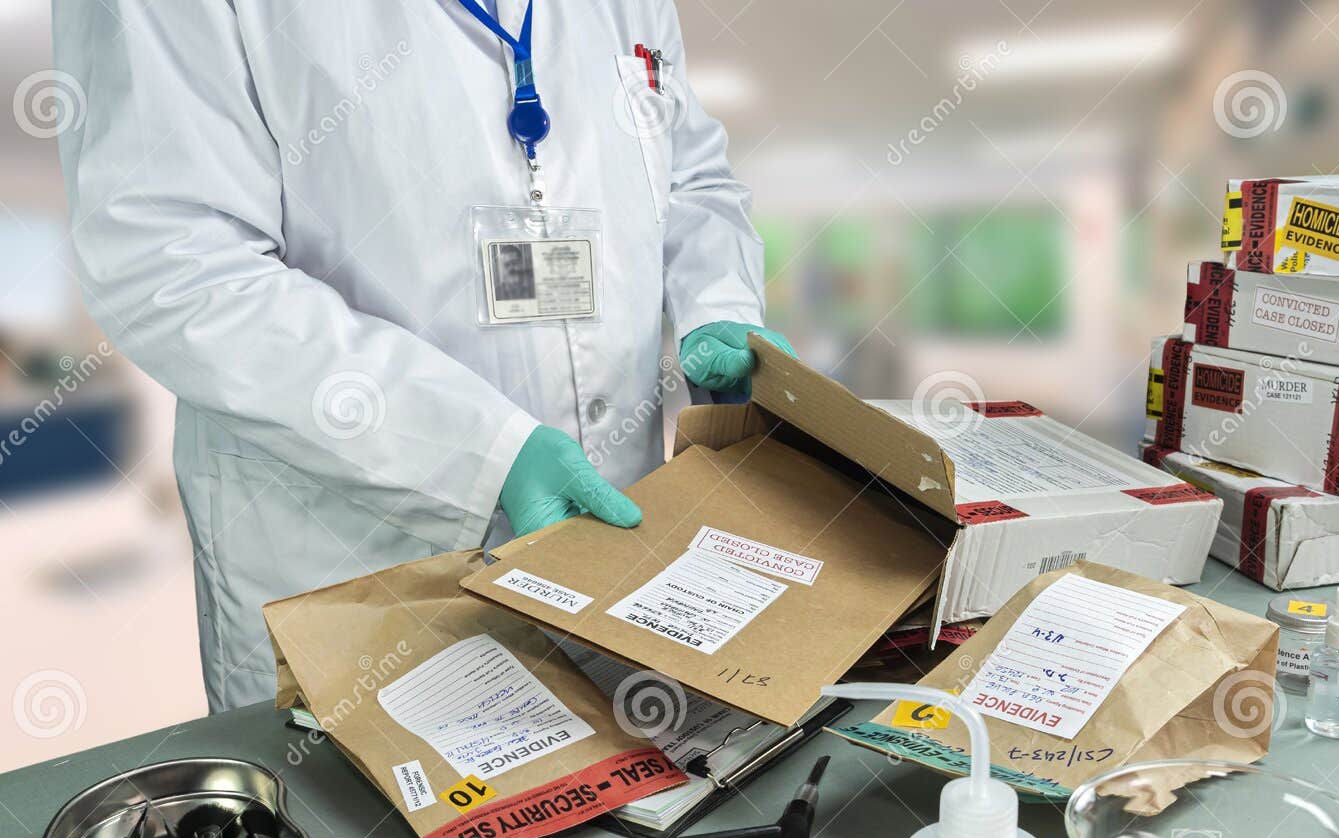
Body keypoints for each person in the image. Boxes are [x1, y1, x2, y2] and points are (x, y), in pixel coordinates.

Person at [54, 1, 791, 711]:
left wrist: (717, 304)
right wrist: (481, 450)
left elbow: (691, 175)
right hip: (354, 572)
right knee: (366, 828)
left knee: (638, 816)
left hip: (619, 552)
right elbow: (172, 262)